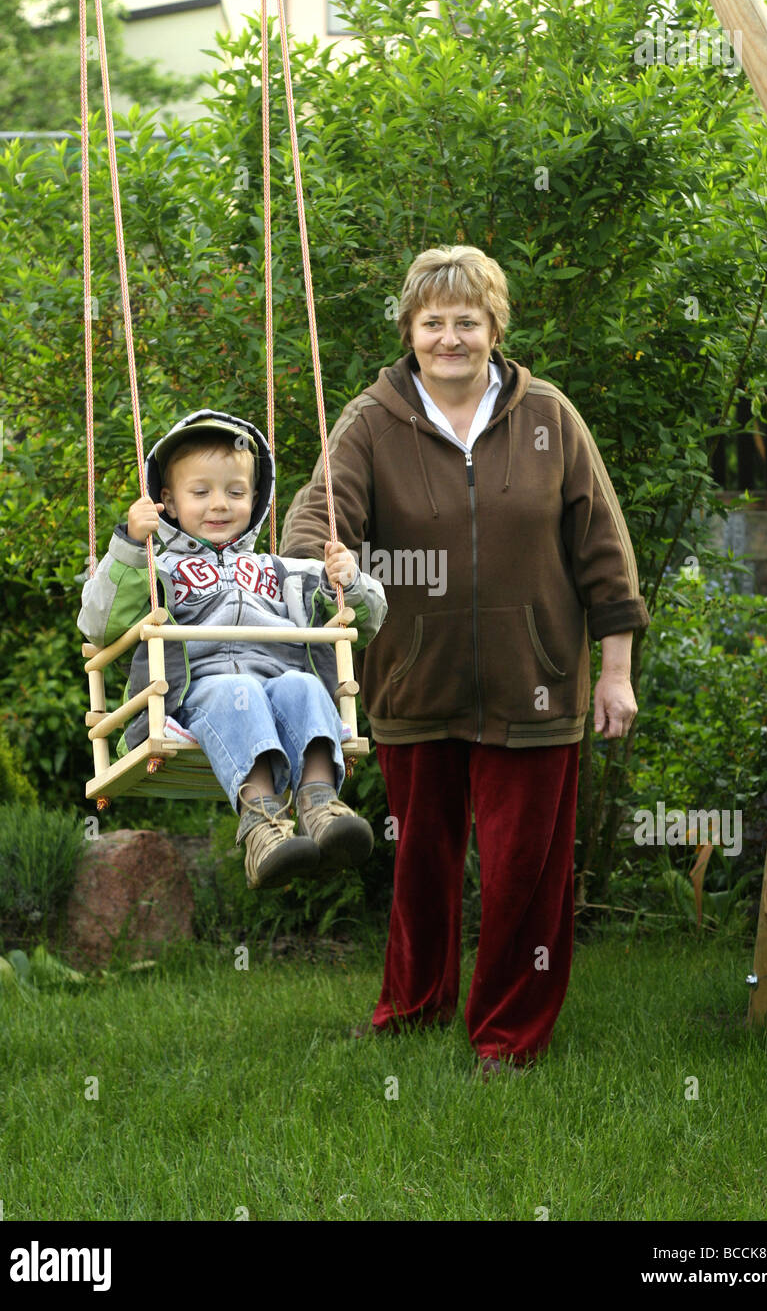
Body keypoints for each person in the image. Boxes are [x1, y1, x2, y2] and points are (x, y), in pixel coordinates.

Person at [281, 245, 650, 1078]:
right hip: (415, 679)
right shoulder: (370, 421)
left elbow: (604, 555)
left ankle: (509, 1037)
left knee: (527, 872)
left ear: (495, 328)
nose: (450, 338)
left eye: (467, 322)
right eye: (433, 322)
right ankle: (412, 1010)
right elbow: (316, 523)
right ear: (410, 330)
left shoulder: (551, 416)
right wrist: (316, 569)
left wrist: (616, 672)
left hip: (540, 681)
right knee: (420, 862)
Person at [77, 409, 387, 890]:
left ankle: (322, 804)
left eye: (236, 492)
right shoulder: (158, 571)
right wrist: (130, 548)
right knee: (235, 688)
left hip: (278, 684)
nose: (219, 505)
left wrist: (347, 581)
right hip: (197, 693)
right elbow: (97, 623)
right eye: (200, 492)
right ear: (168, 501)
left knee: (306, 685)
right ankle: (262, 826)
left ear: (255, 499)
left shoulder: (283, 570)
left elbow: (366, 621)